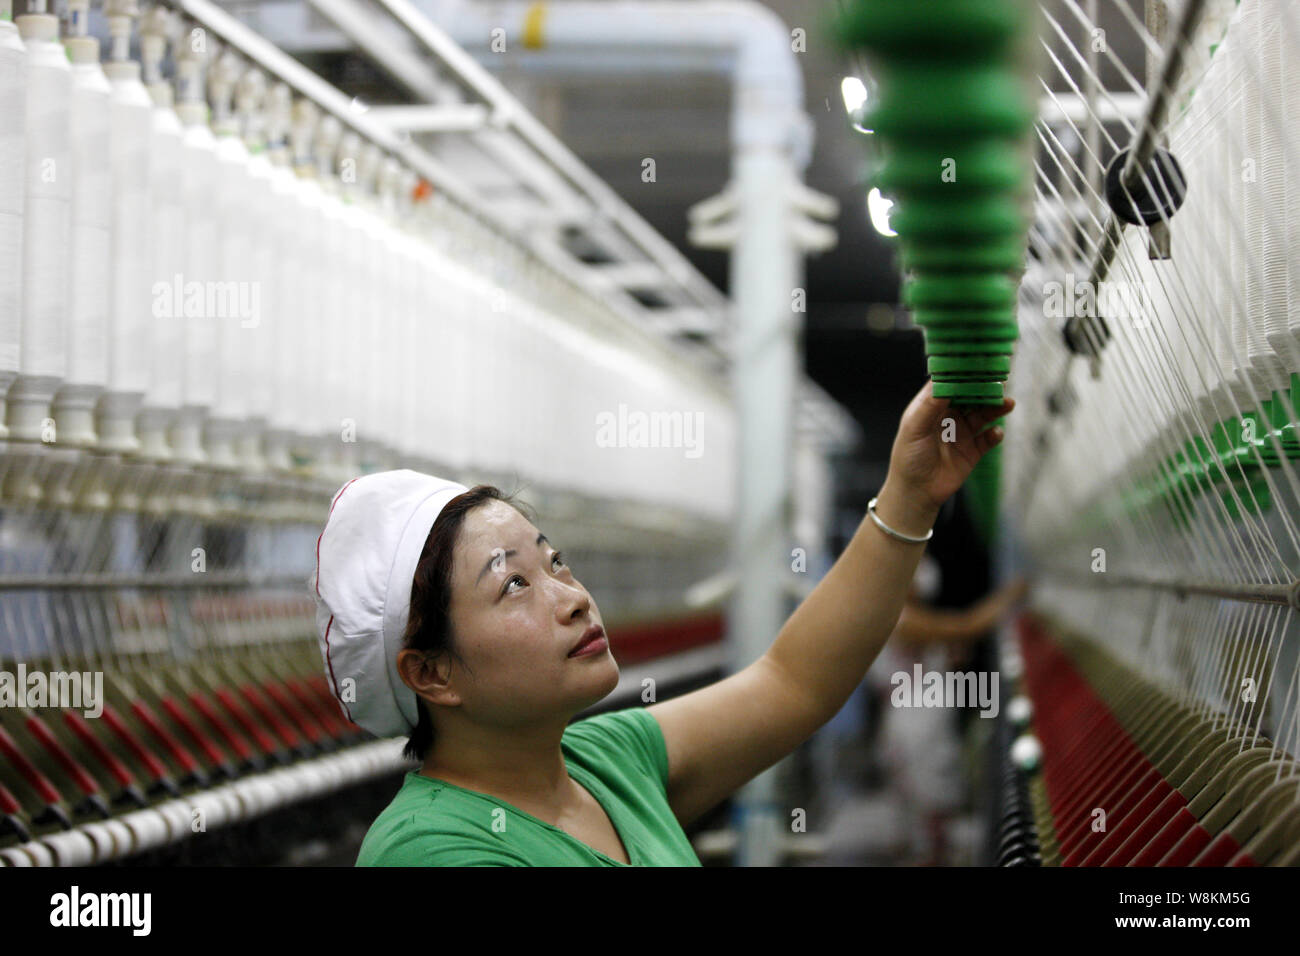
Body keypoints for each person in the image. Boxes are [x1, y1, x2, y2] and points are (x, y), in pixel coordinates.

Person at [311, 381, 1014, 865]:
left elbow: (791, 681)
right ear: (431, 672)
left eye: (556, 563)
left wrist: (910, 493)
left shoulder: (602, 759)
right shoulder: (432, 846)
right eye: (515, 584)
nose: (573, 597)